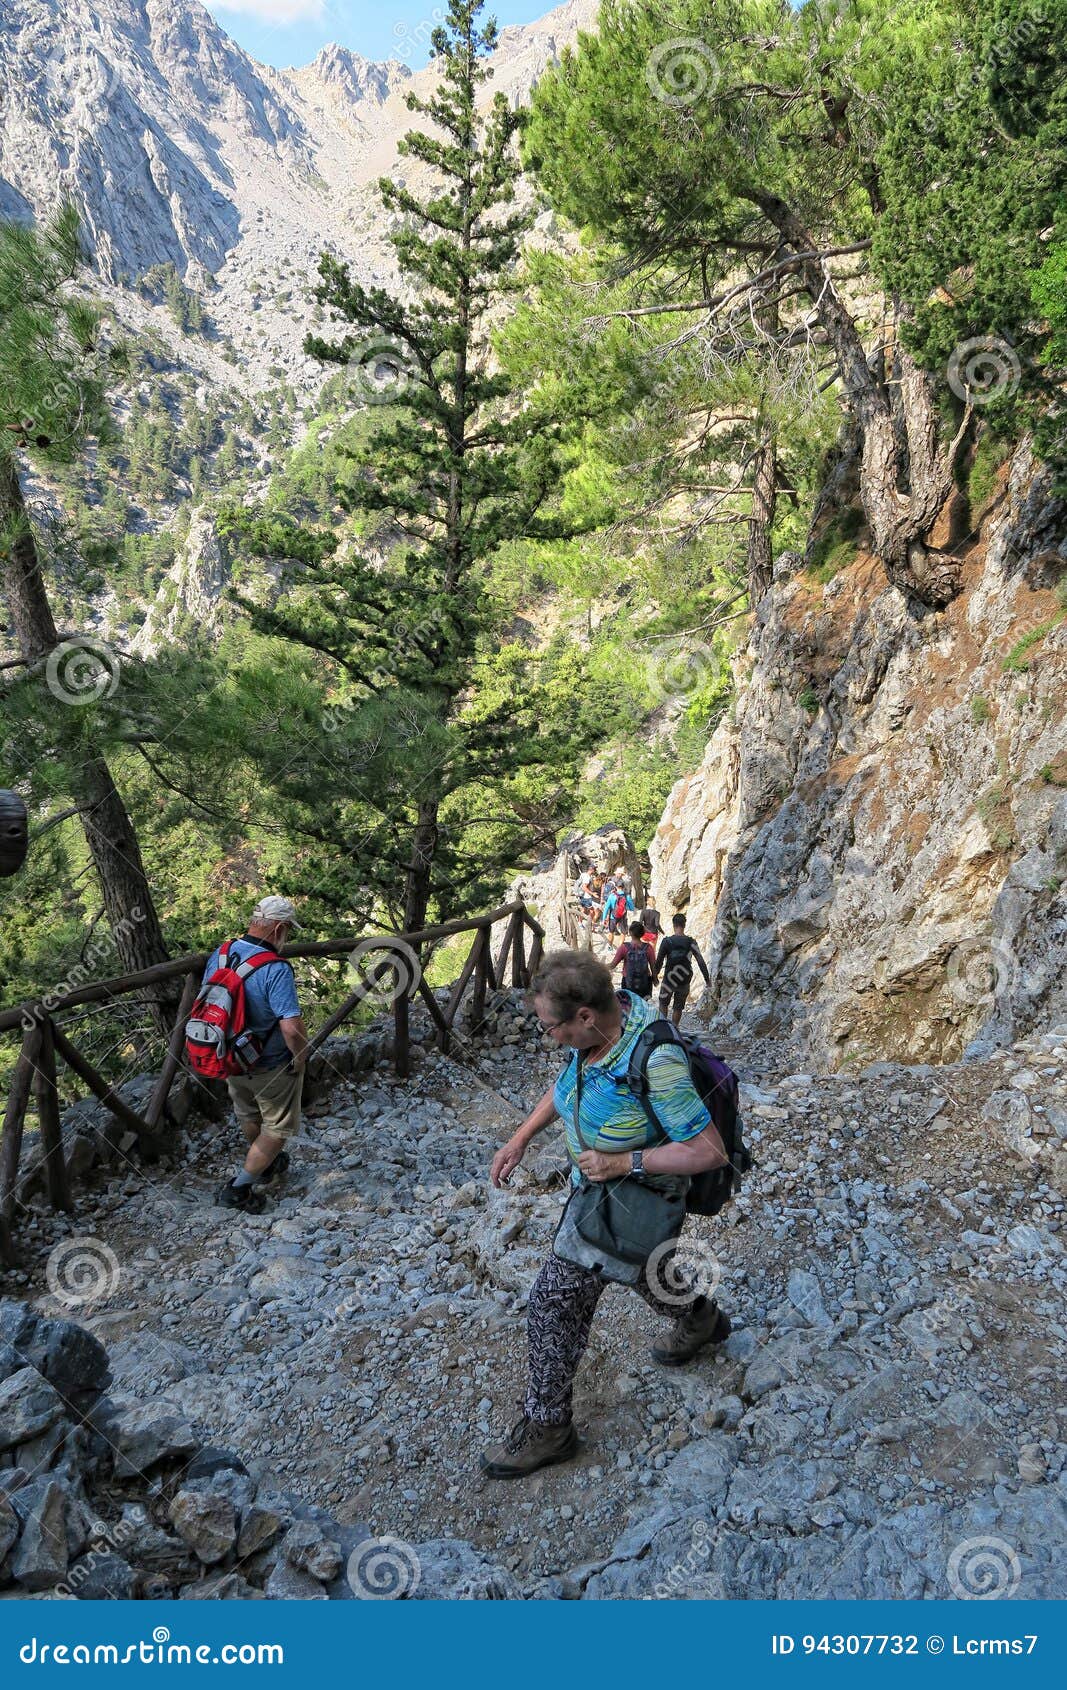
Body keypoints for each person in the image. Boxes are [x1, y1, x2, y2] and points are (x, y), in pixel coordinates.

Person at [482, 951, 731, 1479]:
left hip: (633, 1195)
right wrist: (521, 1138)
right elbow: (569, 1083)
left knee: (553, 1304)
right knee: (641, 1269)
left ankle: (549, 1428)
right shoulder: (601, 1032)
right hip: (597, 1196)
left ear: (585, 1016)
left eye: (552, 1027)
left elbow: (709, 1150)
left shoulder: (655, 1060)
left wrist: (623, 1160)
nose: (549, 1037)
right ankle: (699, 1318)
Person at [210, 896, 309, 1214]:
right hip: (269, 1063)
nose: (287, 938)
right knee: (276, 1129)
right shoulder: (276, 968)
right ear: (279, 928)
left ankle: (265, 1165)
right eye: (288, 932)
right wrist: (301, 1056)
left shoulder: (222, 953)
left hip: (230, 1058)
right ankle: (239, 1188)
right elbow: (291, 1028)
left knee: (249, 1115)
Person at [653, 913, 711, 1029]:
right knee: (678, 1007)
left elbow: (659, 961)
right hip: (684, 979)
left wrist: (654, 978)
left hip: (669, 978)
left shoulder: (667, 941)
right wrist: (707, 979)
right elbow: (700, 961)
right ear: (684, 925)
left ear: (674, 925)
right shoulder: (691, 942)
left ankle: (664, 1028)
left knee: (663, 1003)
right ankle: (675, 1028)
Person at [611, 920, 655, 999]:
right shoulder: (649, 948)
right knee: (642, 1005)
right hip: (645, 983)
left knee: (629, 1005)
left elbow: (613, 965)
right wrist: (655, 979)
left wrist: (598, 966)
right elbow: (653, 967)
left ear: (630, 933)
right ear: (643, 933)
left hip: (628, 983)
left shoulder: (624, 948)